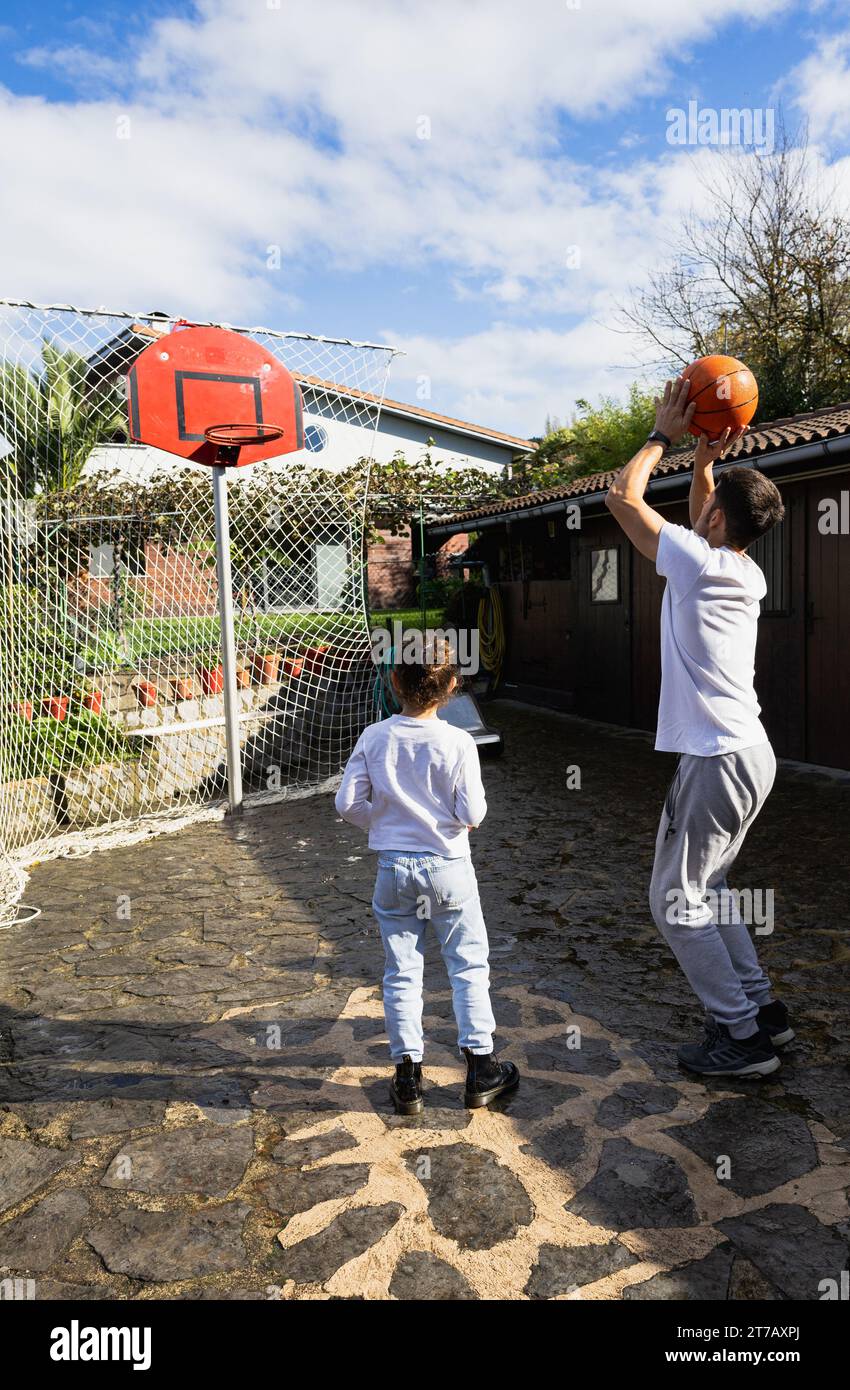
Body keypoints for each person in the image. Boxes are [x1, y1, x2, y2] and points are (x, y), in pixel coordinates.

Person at [605, 376, 792, 1077]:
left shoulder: (698, 563)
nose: (700, 511)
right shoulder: (740, 570)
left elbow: (621, 499)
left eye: (707, 504)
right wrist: (707, 466)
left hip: (717, 759)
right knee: (709, 890)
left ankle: (741, 1037)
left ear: (716, 523)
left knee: (675, 901)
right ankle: (763, 1014)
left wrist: (662, 436)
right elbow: (698, 520)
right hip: (750, 753)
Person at [334, 641, 518, 1113]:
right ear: (452, 687)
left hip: (394, 870)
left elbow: (347, 804)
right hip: (448, 869)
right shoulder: (458, 741)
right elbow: (473, 811)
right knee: (468, 966)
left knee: (401, 973)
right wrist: (455, 820)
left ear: (394, 683)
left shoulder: (374, 737)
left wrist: (383, 823)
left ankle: (408, 1077)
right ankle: (480, 1068)